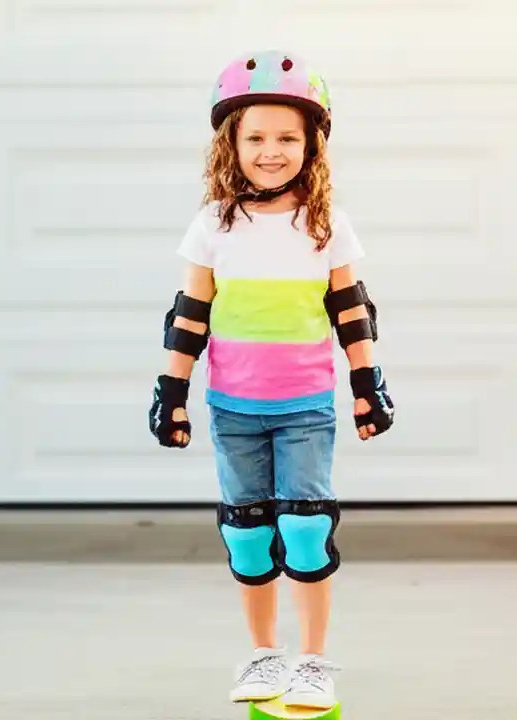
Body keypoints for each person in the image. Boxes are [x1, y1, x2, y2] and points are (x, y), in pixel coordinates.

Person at [148, 49, 395, 710]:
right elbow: (189, 316)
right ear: (231, 143)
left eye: (287, 137)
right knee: (248, 533)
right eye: (255, 137)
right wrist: (171, 394)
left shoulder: (325, 224)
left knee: (308, 527)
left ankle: (313, 661)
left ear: (312, 146)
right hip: (233, 407)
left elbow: (351, 311)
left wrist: (367, 386)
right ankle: (263, 656)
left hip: (306, 406)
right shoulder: (214, 225)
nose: (270, 150)